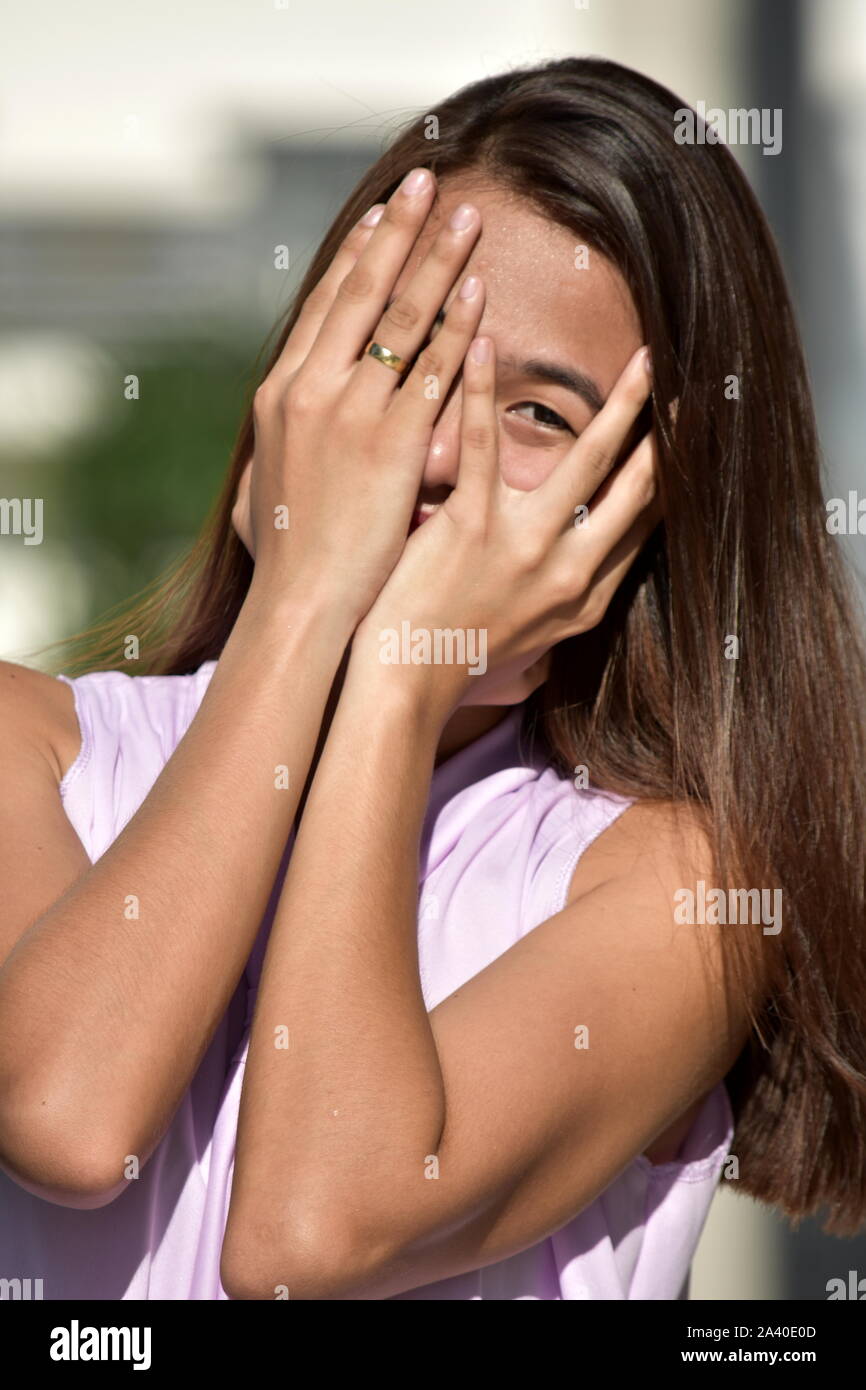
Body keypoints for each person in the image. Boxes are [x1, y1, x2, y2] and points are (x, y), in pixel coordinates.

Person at [1, 57, 864, 1301]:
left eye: (541, 416)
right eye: (405, 359)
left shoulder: (674, 885)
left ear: (657, 502)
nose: (442, 451)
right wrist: (300, 608)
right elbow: (73, 1117)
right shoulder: (33, 739)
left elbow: (309, 1231)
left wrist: (397, 692)